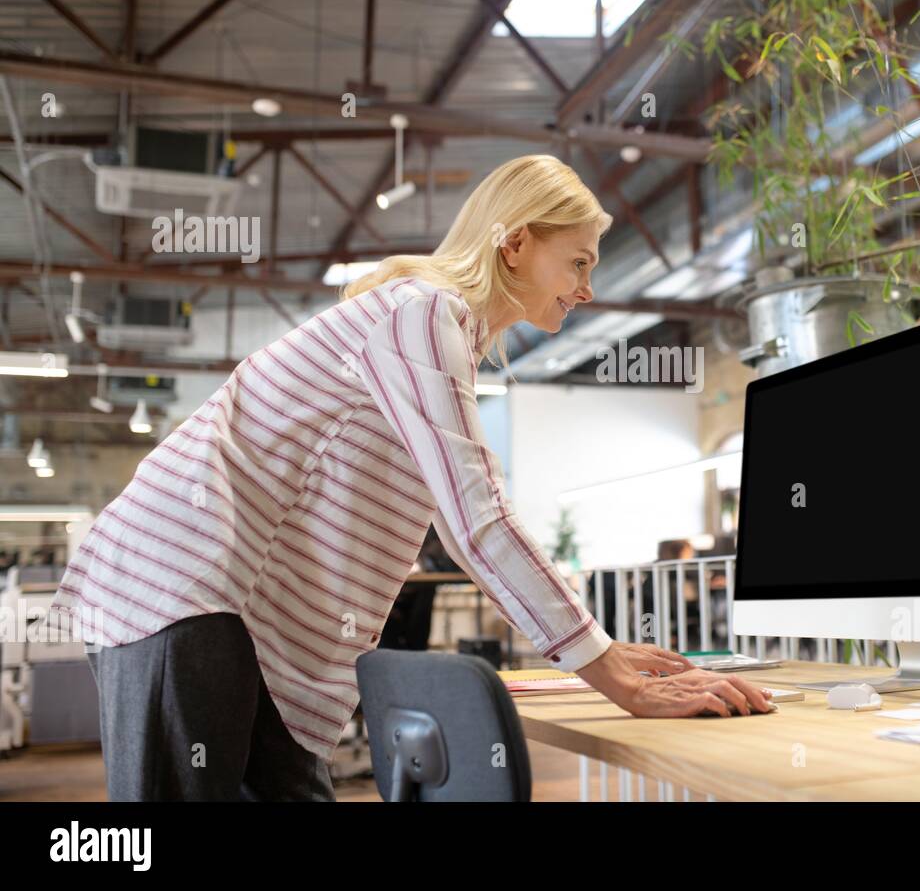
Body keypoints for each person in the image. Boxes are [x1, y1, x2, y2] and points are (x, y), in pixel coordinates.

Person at [46, 154, 771, 802]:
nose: (587, 288)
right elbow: (474, 519)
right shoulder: (422, 314)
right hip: (178, 582)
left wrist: (605, 655)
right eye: (578, 262)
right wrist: (612, 674)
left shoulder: (437, 332)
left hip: (244, 617)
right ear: (515, 243)